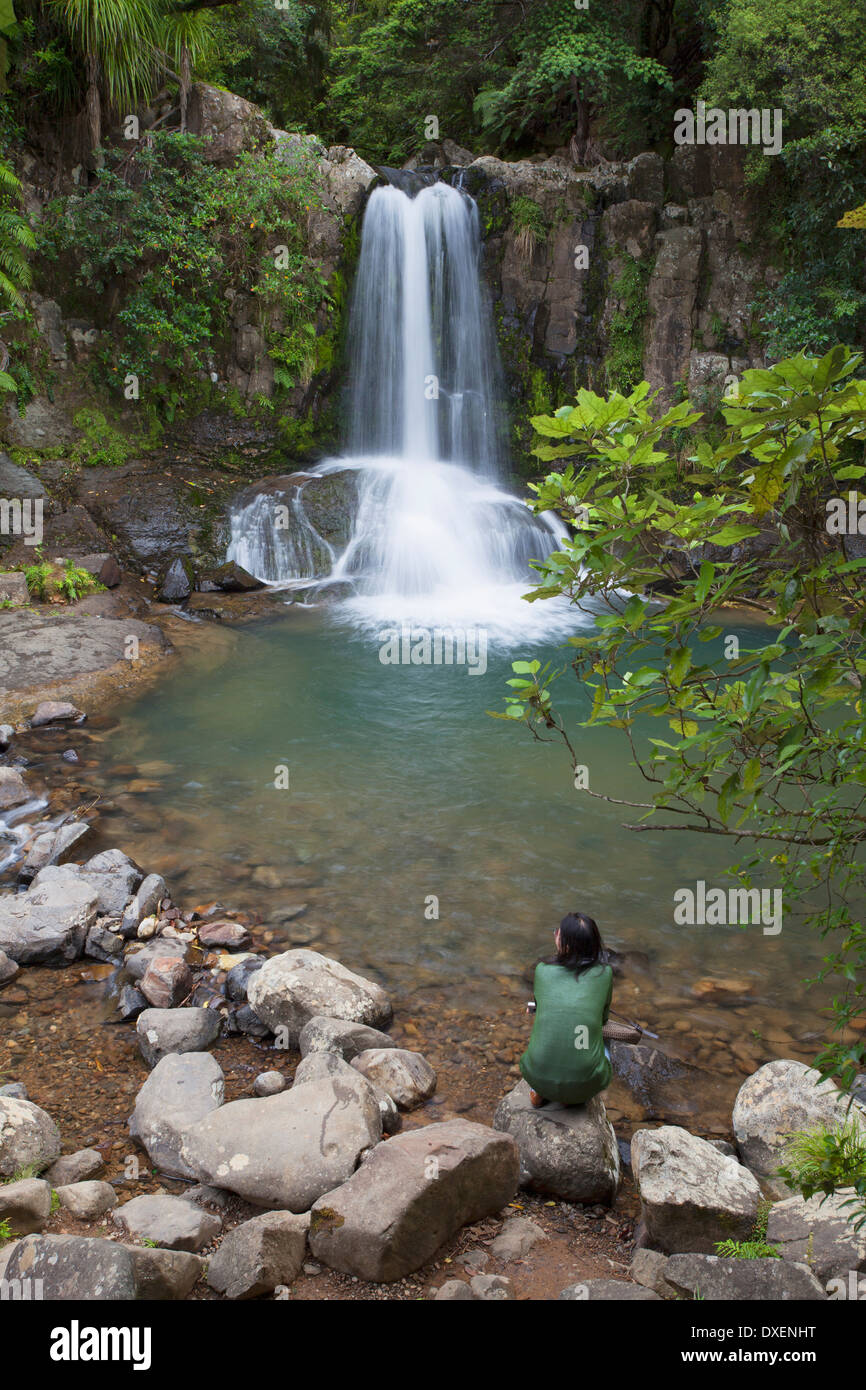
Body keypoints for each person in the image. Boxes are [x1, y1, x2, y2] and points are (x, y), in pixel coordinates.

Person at [520, 911, 613, 1107]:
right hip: (584, 1084)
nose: (555, 935)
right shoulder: (604, 974)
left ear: (566, 945)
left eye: (557, 933)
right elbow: (603, 1019)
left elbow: (543, 1004)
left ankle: (538, 1090)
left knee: (546, 1025)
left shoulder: (542, 970)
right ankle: (576, 1093)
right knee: (605, 1037)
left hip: (536, 1075)